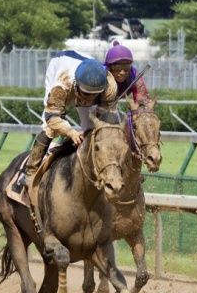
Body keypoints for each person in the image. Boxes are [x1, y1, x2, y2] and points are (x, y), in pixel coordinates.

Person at [17, 52, 120, 192]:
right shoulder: (62, 84)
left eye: (94, 94)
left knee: (93, 126)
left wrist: (102, 120)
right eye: (86, 94)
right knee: (50, 129)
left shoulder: (109, 85)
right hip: (60, 64)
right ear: (77, 85)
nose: (89, 100)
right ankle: (29, 172)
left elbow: (109, 120)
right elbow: (51, 117)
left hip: (86, 65)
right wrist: (71, 132)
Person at [104, 43, 153, 107]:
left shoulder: (134, 75)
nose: (122, 73)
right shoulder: (101, 75)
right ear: (109, 67)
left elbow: (143, 100)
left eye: (126, 68)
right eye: (117, 68)